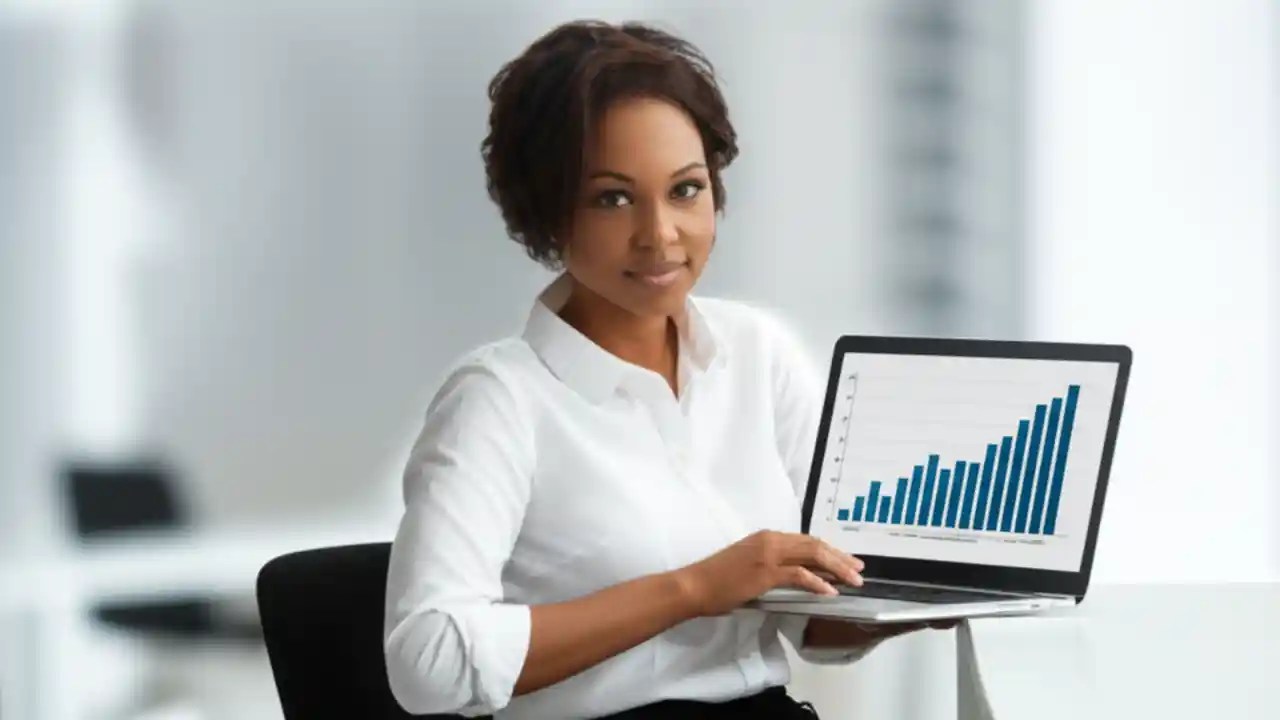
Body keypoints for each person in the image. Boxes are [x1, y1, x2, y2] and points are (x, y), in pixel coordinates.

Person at [384, 20, 949, 720]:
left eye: (685, 190)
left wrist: (914, 598)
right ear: (549, 214)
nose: (660, 235)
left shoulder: (759, 353)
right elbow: (427, 662)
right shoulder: (498, 401)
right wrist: (693, 589)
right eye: (613, 199)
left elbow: (813, 619)